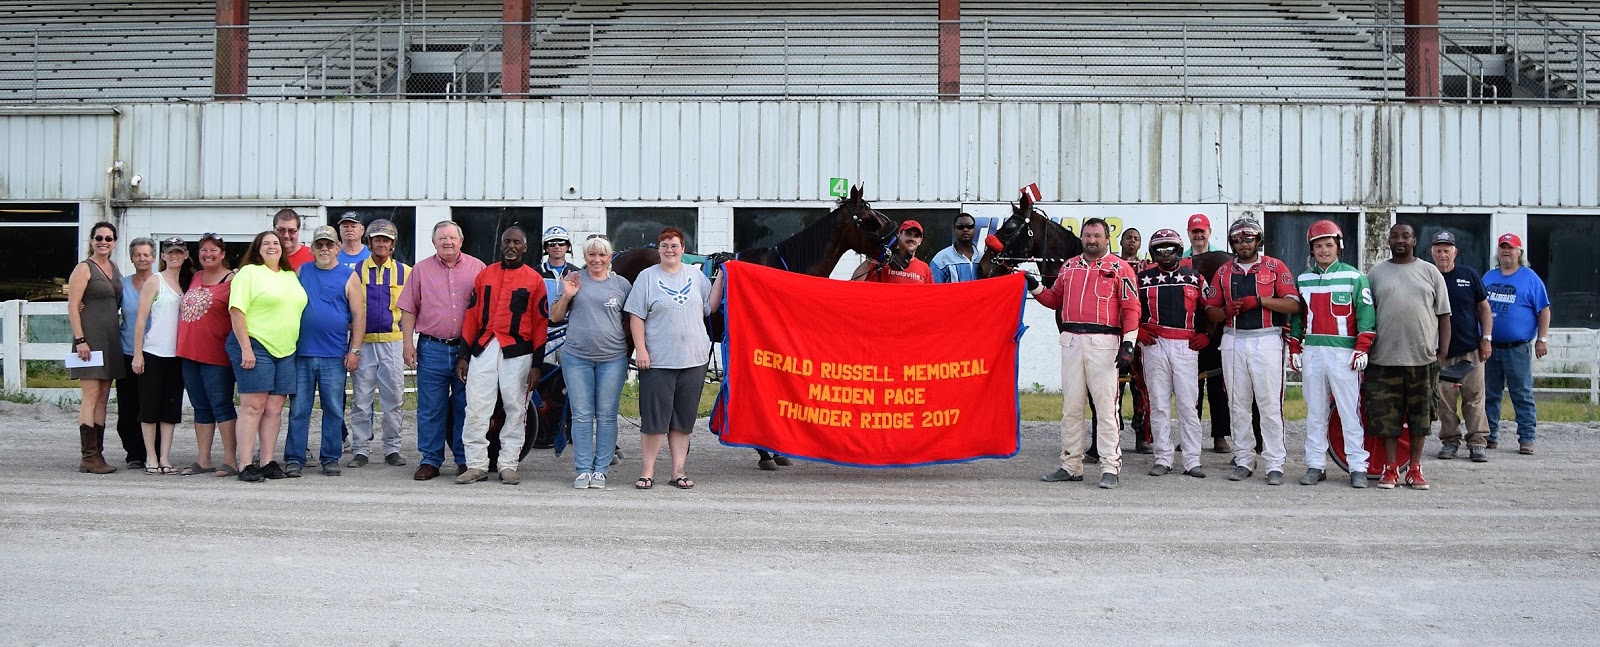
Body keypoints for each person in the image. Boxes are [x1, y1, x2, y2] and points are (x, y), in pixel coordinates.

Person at [1032, 218, 1140, 489]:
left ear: (1107, 239)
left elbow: (1131, 309)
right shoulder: (1068, 267)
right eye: (1087, 235)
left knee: (1106, 409)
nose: (1092, 240)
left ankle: (1110, 467)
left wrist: (1128, 344)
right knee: (1071, 407)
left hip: (1104, 341)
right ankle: (1071, 465)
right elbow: (1054, 300)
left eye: (1097, 235)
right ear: (1081, 238)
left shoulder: (1121, 268)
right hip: (1071, 340)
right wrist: (1033, 286)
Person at [625, 226, 724, 490]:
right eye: (665, 245)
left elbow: (709, 307)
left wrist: (723, 278)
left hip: (694, 358)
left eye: (675, 245)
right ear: (659, 249)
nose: (670, 250)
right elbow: (636, 316)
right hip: (658, 359)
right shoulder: (647, 277)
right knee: (655, 420)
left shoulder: (695, 275)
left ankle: (678, 471)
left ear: (683, 249)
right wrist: (641, 349)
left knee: (683, 420)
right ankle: (647, 472)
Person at [1202, 218, 1299, 486]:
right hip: (1233, 338)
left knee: (1269, 404)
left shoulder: (1274, 267)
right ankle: (1244, 458)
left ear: (1258, 240)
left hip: (1266, 339)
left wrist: (1259, 301)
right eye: (1237, 239)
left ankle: (1275, 462)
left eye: (1248, 238)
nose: (1242, 244)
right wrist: (1224, 312)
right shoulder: (1223, 271)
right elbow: (1210, 308)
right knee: (1238, 402)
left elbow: (1293, 304)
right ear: (1231, 242)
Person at [456, 226, 549, 486]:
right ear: (501, 244)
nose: (511, 246)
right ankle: (476, 464)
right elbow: (472, 316)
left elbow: (541, 324)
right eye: (507, 241)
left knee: (516, 408)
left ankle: (508, 464)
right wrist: (464, 355)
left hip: (518, 352)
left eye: (516, 242)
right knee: (476, 407)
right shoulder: (484, 275)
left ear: (524, 247)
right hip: (484, 348)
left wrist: (537, 365)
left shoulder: (534, 280)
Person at [1287, 221, 1375, 488]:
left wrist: (1363, 347)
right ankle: (1315, 465)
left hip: (1343, 352)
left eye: (1328, 245)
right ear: (1311, 250)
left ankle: (1357, 466)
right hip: (1313, 351)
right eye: (1318, 246)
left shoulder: (1355, 277)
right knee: (1315, 412)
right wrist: (1294, 348)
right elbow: (1297, 319)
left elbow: (1366, 315)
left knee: (1349, 411)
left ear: (1339, 246)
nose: (1324, 250)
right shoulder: (1303, 279)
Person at [1365, 223, 1451, 490]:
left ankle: (1414, 468)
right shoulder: (1376, 274)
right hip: (1383, 359)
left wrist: (1442, 354)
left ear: (1414, 240)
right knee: (1386, 419)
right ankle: (1391, 469)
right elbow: (1366, 315)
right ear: (1388, 240)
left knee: (1420, 418)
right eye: (1395, 236)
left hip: (1422, 360)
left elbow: (1444, 315)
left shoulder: (1430, 272)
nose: (1400, 240)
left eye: (1405, 236)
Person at [400, 221, 486, 481]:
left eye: (452, 237)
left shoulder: (478, 268)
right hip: (431, 347)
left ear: (461, 241)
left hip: (466, 350)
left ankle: (464, 459)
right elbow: (409, 308)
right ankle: (430, 459)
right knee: (430, 407)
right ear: (434, 242)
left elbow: (485, 309)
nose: (447, 242)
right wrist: (407, 344)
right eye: (442, 238)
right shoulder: (420, 270)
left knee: (465, 405)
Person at [227, 231, 309, 482]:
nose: (272, 247)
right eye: (267, 243)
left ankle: (267, 461)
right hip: (255, 345)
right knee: (253, 407)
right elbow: (237, 311)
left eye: (276, 243)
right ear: (257, 248)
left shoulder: (290, 276)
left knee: (274, 408)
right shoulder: (248, 273)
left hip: (285, 349)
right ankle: (245, 464)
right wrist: (246, 349)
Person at [551, 235, 632, 489]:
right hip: (577, 358)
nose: (597, 260)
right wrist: (567, 296)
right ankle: (583, 469)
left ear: (610, 256)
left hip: (613, 359)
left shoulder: (622, 284)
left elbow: (632, 319)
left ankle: (601, 469)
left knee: (607, 416)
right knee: (582, 416)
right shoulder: (574, 280)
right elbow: (555, 316)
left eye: (602, 255)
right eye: (591, 255)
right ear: (584, 257)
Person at [286, 226, 364, 477]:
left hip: (334, 355)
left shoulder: (349, 276)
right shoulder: (301, 271)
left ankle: (330, 457)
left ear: (337, 248)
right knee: (299, 409)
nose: (324, 249)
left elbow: (358, 315)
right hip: (302, 354)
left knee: (333, 408)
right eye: (319, 245)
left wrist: (355, 350)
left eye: (329, 245)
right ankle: (295, 458)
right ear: (312, 249)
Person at [1134, 229, 1211, 478]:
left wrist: (1207, 334)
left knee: (1189, 405)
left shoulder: (1195, 277)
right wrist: (1137, 331)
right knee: (1158, 404)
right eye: (1159, 250)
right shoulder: (1140, 278)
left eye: (1170, 249)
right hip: (1154, 345)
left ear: (1179, 249)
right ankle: (1162, 458)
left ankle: (1192, 460)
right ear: (1152, 252)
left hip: (1186, 346)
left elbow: (1211, 309)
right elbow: (1127, 308)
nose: (1165, 255)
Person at [1481, 232, 1552, 455]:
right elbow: (1479, 308)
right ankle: (1489, 435)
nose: (1506, 251)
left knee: (1521, 394)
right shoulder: (1488, 277)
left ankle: (1527, 438)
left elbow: (1544, 310)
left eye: (1510, 248)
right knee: (1490, 394)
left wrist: (1542, 339)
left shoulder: (1530, 278)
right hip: (1491, 346)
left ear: (1519, 252)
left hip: (1517, 347)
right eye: (1502, 247)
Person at [347, 218, 409, 469]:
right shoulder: (356, 270)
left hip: (393, 343)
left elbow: (413, 308)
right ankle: (360, 449)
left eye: (386, 239)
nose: (381, 244)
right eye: (377, 239)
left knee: (394, 398)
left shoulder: (406, 271)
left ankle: (392, 448)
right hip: (364, 343)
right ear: (369, 242)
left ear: (393, 244)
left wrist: (408, 343)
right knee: (361, 399)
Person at [176, 234, 239, 477]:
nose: (208, 254)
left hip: (217, 354)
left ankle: (231, 460)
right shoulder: (195, 277)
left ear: (222, 254)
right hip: (189, 352)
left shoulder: (233, 279)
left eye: (213, 250)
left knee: (221, 405)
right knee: (200, 407)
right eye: (203, 250)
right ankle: (203, 459)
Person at [130, 237, 193, 475]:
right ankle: (151, 457)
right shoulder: (155, 281)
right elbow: (140, 320)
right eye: (169, 252)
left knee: (170, 408)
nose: (174, 255)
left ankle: (165, 457)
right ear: (163, 256)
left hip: (178, 355)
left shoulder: (188, 283)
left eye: (179, 252)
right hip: (153, 351)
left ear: (186, 254)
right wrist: (138, 354)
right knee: (149, 407)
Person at [1430, 231, 1494, 463]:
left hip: (1470, 349)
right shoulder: (1428, 275)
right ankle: (1450, 440)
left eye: (1447, 250)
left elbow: (1483, 308)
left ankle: (1477, 442)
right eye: (1438, 250)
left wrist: (1486, 338)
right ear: (1432, 253)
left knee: (1475, 396)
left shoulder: (1469, 275)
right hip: (1441, 352)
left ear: (1455, 252)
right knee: (1444, 400)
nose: (1442, 254)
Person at [67, 222, 124, 474]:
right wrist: (80, 340)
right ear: (91, 240)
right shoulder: (83, 268)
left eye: (109, 238)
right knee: (90, 396)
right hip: (88, 341)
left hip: (110, 340)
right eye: (99, 237)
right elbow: (72, 306)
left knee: (103, 396)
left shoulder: (114, 268)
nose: (104, 241)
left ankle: (97, 454)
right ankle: (88, 457)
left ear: (114, 242)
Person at [1182, 213, 1230, 454]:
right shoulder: (1180, 260)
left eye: (1202, 231)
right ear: (1189, 233)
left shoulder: (1223, 260)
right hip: (1188, 332)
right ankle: (1191, 437)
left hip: (1216, 332)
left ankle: (1220, 435)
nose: (1198, 235)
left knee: (1217, 385)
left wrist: (1212, 332)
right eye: (1194, 231)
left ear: (1209, 232)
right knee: (1189, 388)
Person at [113, 237, 156, 470]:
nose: (142, 259)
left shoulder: (162, 282)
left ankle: (155, 450)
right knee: (128, 405)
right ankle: (134, 453)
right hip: (128, 351)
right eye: (138, 255)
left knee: (152, 404)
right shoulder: (123, 285)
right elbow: (108, 308)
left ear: (154, 257)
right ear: (131, 258)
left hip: (155, 352)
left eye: (146, 254)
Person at [1115, 226, 1150, 454]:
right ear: (1121, 241)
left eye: (1136, 239)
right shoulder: (1112, 265)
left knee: (1140, 387)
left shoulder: (1147, 268)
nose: (1132, 242)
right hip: (1113, 333)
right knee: (1113, 388)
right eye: (1128, 238)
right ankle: (1111, 437)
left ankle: (1141, 436)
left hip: (1138, 333)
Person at [853, 220, 933, 284]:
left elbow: (932, 297)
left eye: (916, 236)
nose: (912, 238)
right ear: (899, 235)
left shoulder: (924, 268)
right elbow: (855, 284)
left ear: (920, 241)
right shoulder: (884, 262)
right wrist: (871, 257)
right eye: (908, 234)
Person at [930, 213, 983, 283]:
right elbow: (935, 289)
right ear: (954, 230)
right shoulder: (941, 259)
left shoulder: (982, 257)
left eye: (969, 226)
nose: (965, 229)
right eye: (960, 227)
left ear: (974, 229)